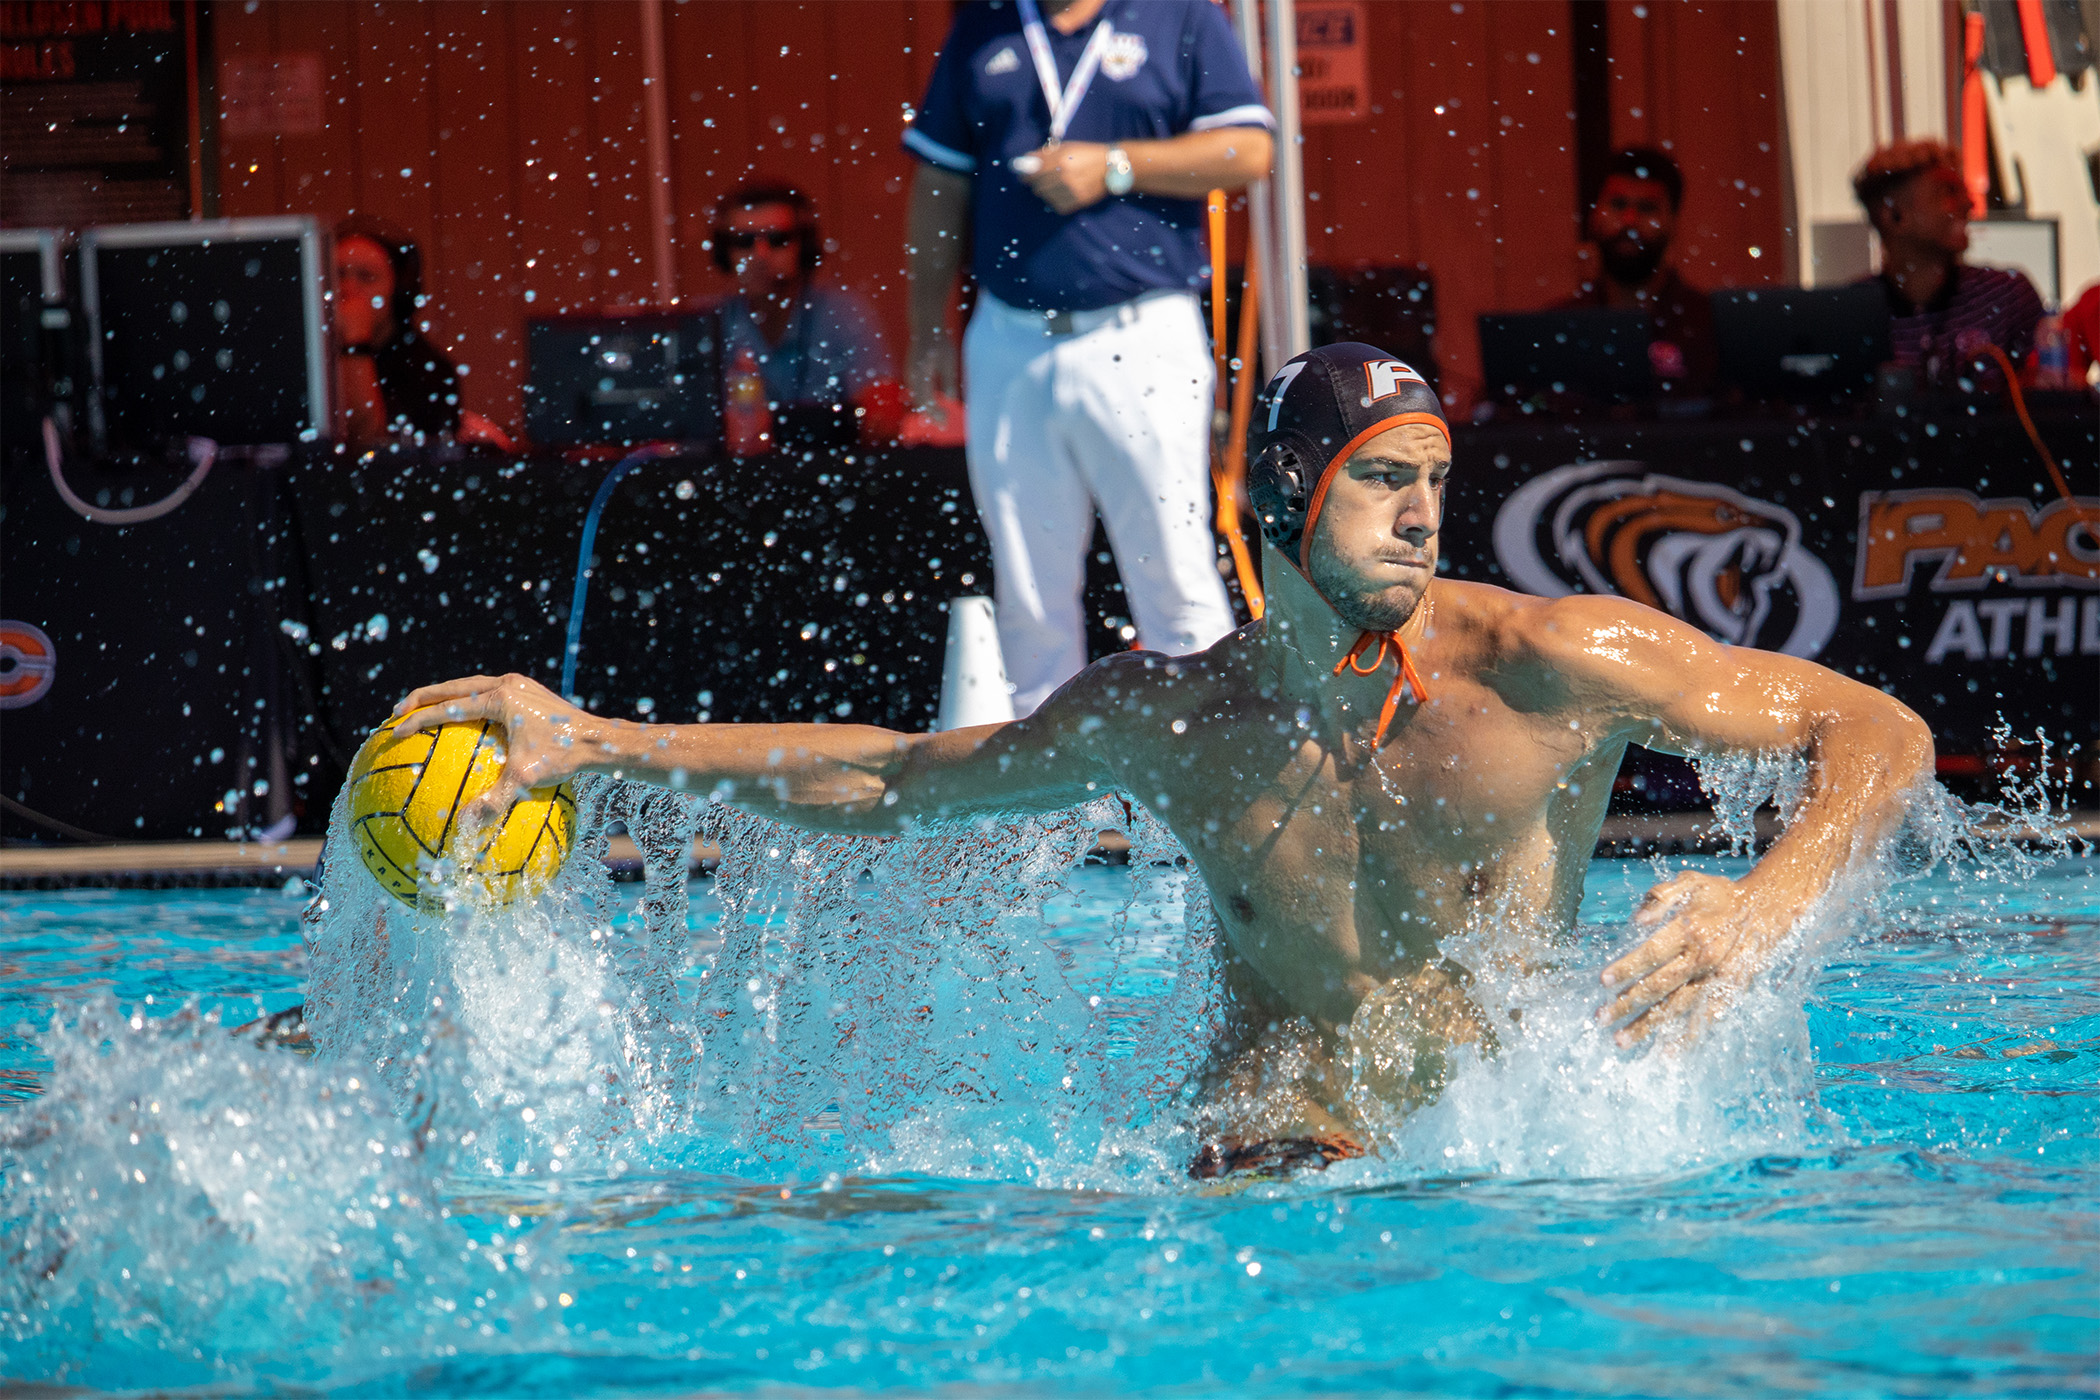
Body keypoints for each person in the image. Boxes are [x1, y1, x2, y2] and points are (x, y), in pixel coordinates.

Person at [392, 342, 1935, 1179]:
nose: (1423, 514)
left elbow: (1881, 730)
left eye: (1436, 480)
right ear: (1285, 497)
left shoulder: (1549, 663)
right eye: (1382, 481)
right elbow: (901, 780)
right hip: (1266, 1160)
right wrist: (598, 743)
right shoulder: (1177, 718)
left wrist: (1760, 909)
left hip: (1507, 1159)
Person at [901, 0, 1275, 713]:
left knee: (1173, 570)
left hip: (1140, 333)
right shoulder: (985, 22)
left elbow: (1248, 150)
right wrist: (924, 329)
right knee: (1027, 590)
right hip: (1009, 334)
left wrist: (1117, 166)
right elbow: (940, 181)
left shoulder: (1179, 14)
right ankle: (1048, 776)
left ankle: (1209, 759)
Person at [1852, 139, 2045, 395]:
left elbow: (2047, 400)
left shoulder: (2007, 297)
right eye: (1948, 193)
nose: (1969, 204)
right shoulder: (1853, 314)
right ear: (1895, 216)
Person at [710, 181, 895, 444]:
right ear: (724, 251)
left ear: (804, 247)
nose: (760, 254)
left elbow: (884, 412)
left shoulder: (843, 313)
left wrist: (870, 418)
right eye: (744, 241)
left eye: (777, 239)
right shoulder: (712, 322)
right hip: (741, 469)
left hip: (831, 464)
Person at [1555, 146, 1716, 397]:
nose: (1629, 221)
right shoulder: (1560, 328)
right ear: (1595, 215)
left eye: (1647, 208)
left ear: (1673, 222)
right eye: (1618, 205)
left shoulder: (1710, 328)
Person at [333, 218, 464, 448]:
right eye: (338, 275)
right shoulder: (307, 357)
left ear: (399, 291)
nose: (347, 290)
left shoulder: (428, 370)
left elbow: (368, 445)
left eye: (366, 277)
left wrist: (355, 343)